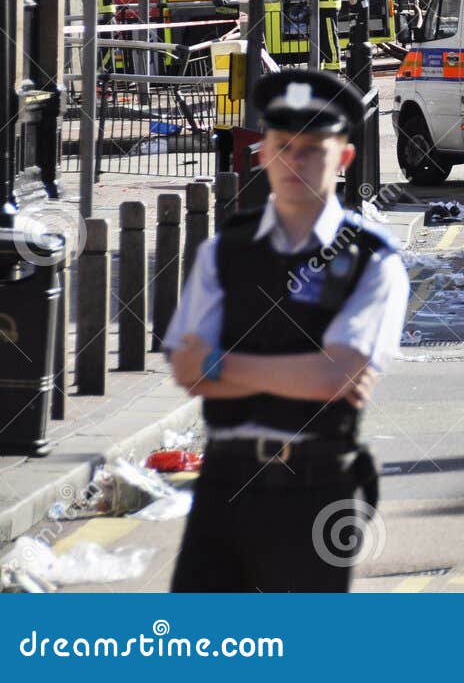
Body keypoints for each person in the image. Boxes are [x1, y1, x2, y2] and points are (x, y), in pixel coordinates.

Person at [165, 69, 408, 591]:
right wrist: (304, 368)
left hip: (315, 488)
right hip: (224, 483)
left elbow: (335, 379)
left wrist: (222, 364)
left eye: (311, 149)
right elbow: (186, 370)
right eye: (282, 146)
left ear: (343, 158)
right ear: (262, 152)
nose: (293, 162)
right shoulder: (225, 249)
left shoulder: (371, 260)